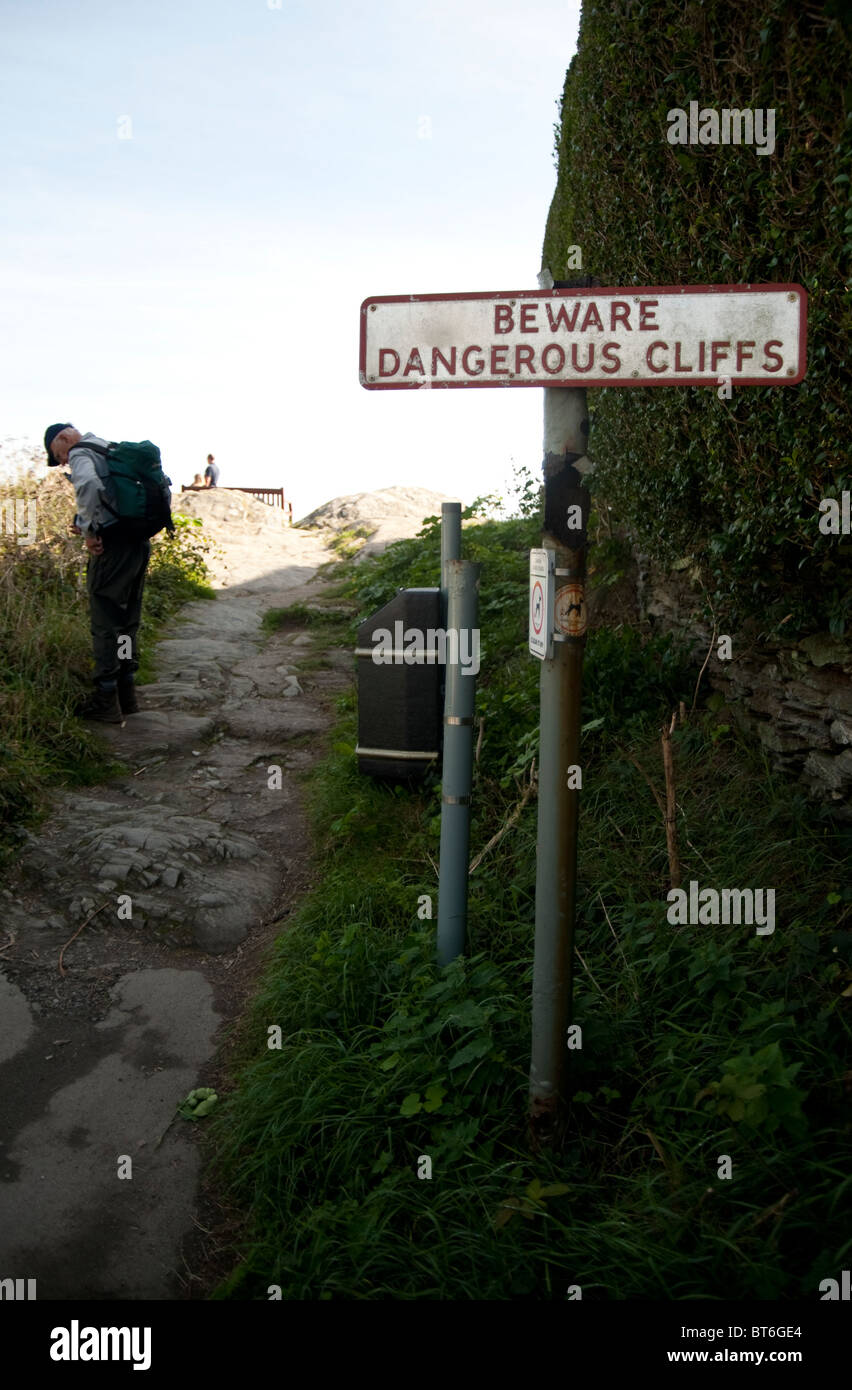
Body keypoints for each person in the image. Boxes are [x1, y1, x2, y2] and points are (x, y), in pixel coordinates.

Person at [44, 422, 150, 723]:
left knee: (106, 621)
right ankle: (127, 692)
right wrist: (87, 517)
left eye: (58, 453)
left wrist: (89, 532)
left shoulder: (80, 453)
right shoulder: (107, 447)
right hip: (137, 545)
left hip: (113, 550)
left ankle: (106, 698)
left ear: (64, 438)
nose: (63, 461)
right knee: (128, 620)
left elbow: (89, 485)